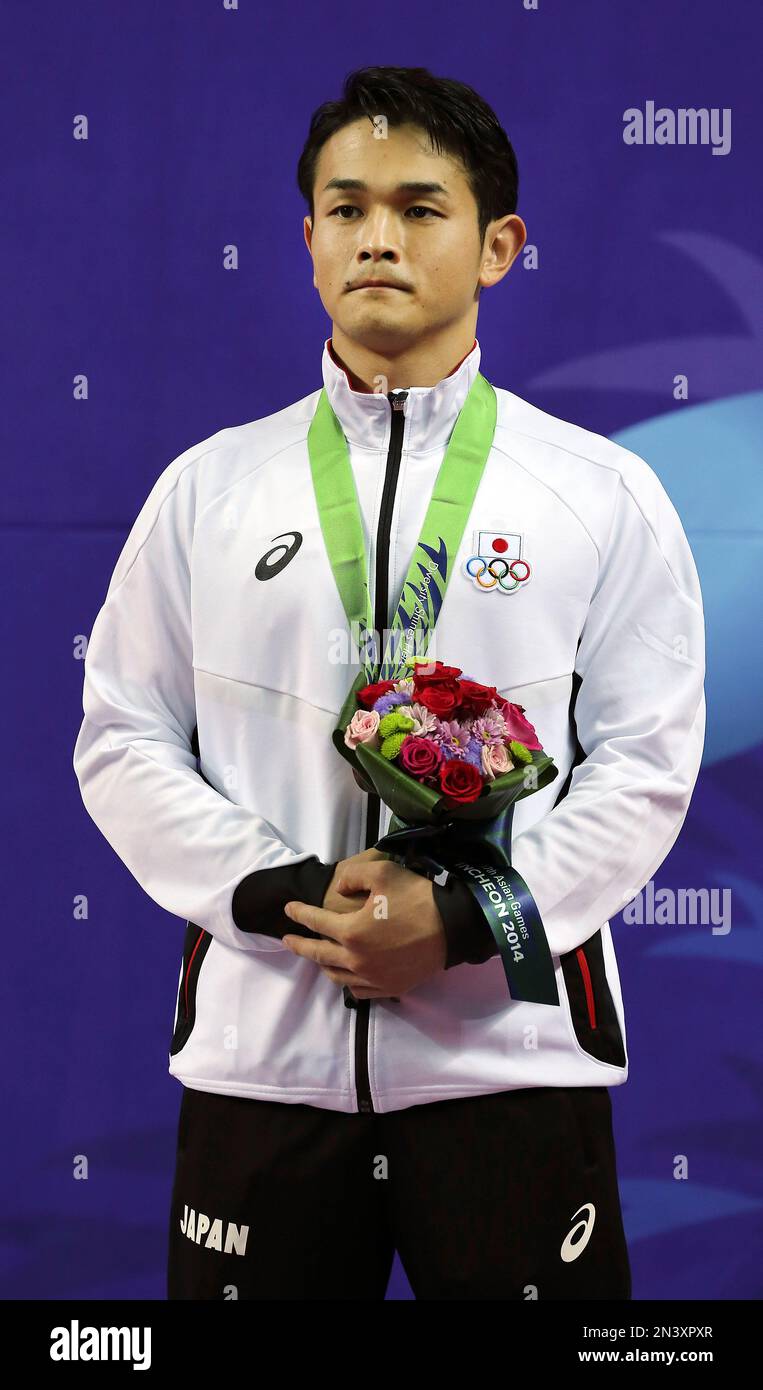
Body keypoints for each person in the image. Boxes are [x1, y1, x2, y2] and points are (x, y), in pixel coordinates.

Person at [72, 65, 706, 1300]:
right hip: (265, 1063)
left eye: (421, 207)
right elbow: (122, 735)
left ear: (497, 247)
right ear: (307, 239)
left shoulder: (600, 492)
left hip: (511, 1064)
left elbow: (645, 763)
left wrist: (466, 921)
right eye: (346, 206)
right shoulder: (208, 490)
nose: (378, 236)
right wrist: (290, 898)